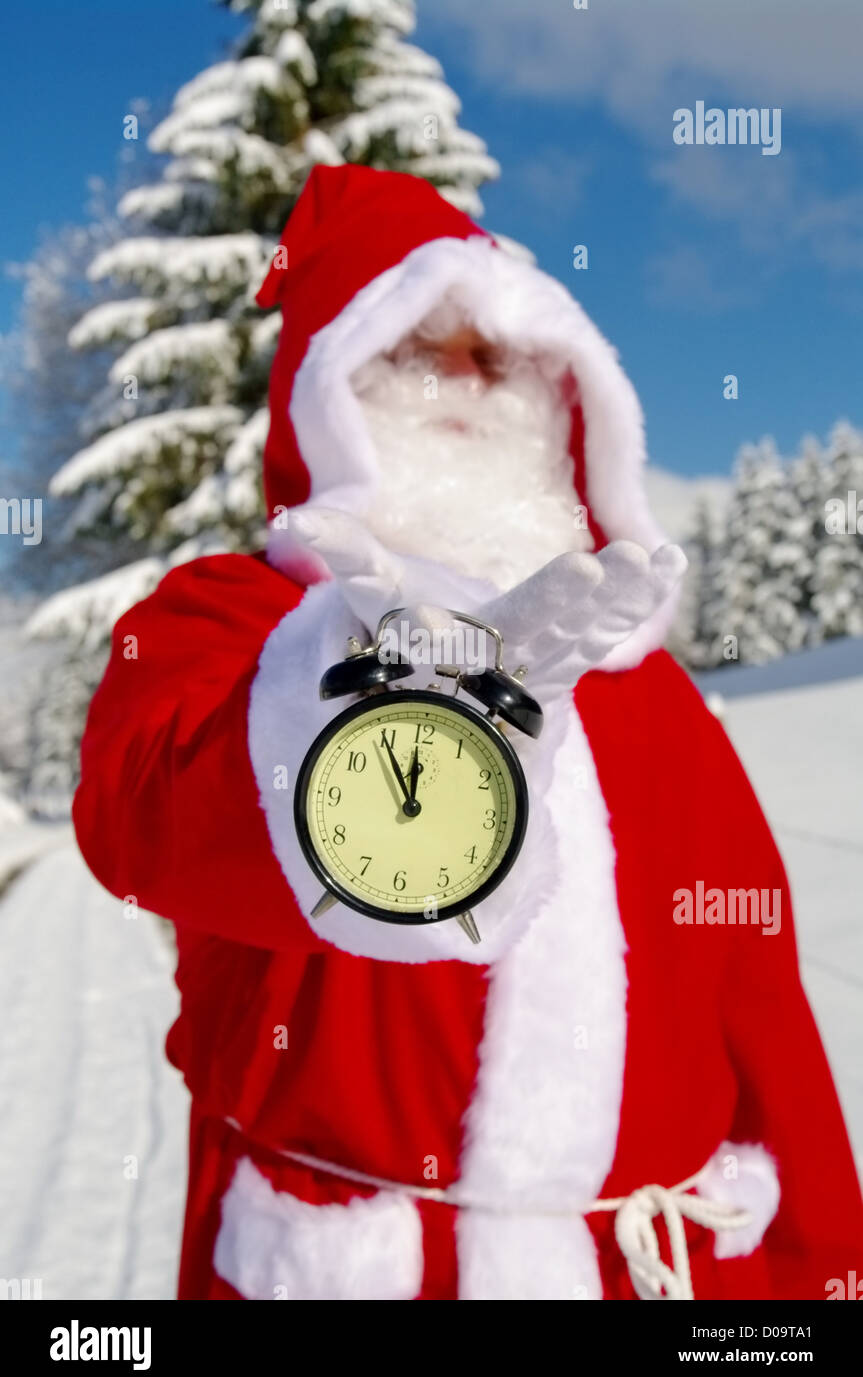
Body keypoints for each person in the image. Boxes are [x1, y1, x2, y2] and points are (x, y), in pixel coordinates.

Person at [74, 164, 862, 1300]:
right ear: (326, 385)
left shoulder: (648, 693)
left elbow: (761, 1016)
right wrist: (370, 708)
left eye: (493, 353)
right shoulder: (237, 618)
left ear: (564, 396)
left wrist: (815, 1275)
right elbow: (146, 816)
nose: (461, 374)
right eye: (412, 343)